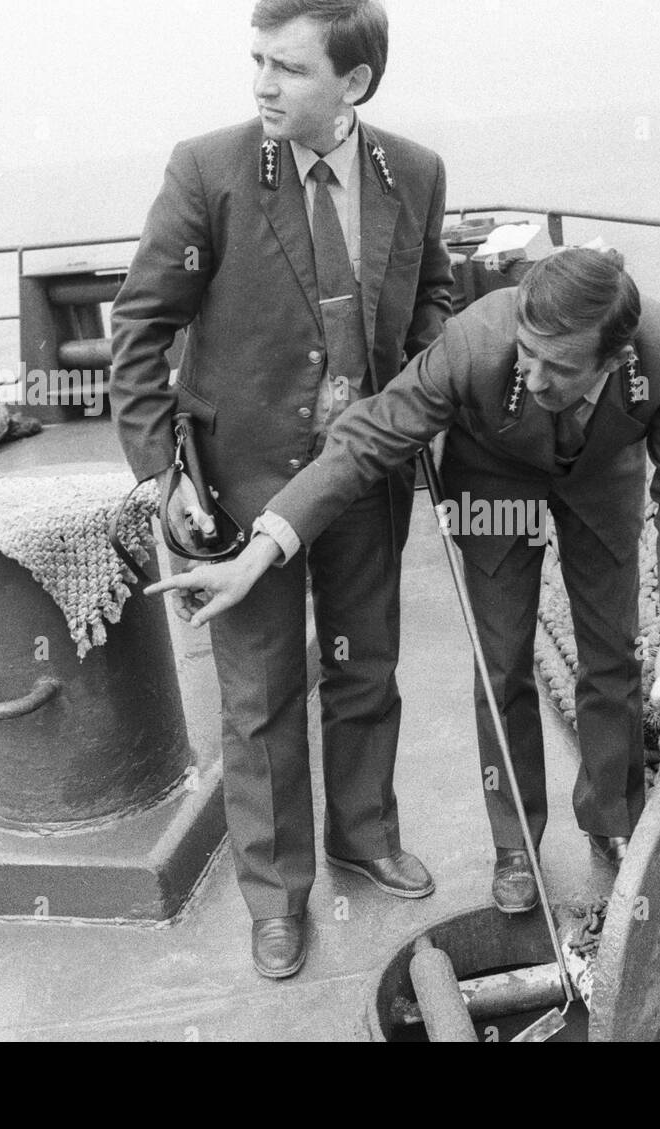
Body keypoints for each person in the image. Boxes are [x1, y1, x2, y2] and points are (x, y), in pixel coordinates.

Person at [147, 248, 660, 912]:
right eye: (527, 355)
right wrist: (256, 554)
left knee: (613, 656)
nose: (533, 377)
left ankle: (613, 819)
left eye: (559, 367)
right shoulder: (474, 343)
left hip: (602, 482)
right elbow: (364, 440)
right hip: (495, 481)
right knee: (501, 660)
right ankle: (515, 842)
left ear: (614, 356)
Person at [110, 0, 453, 979]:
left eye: (287, 68)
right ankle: (276, 893)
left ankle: (363, 830)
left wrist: (419, 381)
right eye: (256, 60)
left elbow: (428, 289)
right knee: (258, 698)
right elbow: (139, 330)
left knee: (365, 669)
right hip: (233, 484)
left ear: (353, 83)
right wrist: (157, 473)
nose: (260, 84)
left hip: (367, 476)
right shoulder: (209, 168)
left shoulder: (415, 172)